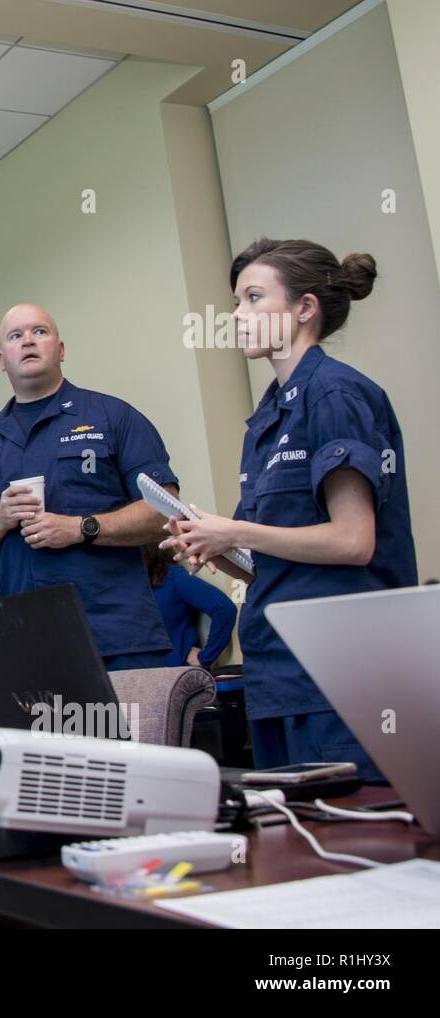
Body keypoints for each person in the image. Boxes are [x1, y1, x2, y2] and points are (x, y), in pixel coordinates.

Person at [162, 239, 416, 780]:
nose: (237, 316)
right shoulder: (269, 417)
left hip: (342, 671)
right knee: (292, 842)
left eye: (254, 298)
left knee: (354, 839)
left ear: (305, 308)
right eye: (236, 302)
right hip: (277, 666)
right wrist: (212, 541)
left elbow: (353, 541)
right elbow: (264, 562)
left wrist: (235, 528)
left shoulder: (335, 395)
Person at [0, 303, 176, 670]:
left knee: (126, 730)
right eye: (15, 337)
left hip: (114, 637)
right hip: (27, 646)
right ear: (2, 359)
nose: (28, 342)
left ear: (61, 349)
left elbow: (165, 512)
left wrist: (81, 528)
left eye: (40, 332)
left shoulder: (112, 416)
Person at [141, 545, 236, 670]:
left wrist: (205, 657)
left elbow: (223, 608)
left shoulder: (170, 577)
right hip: (123, 677)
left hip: (173, 676)